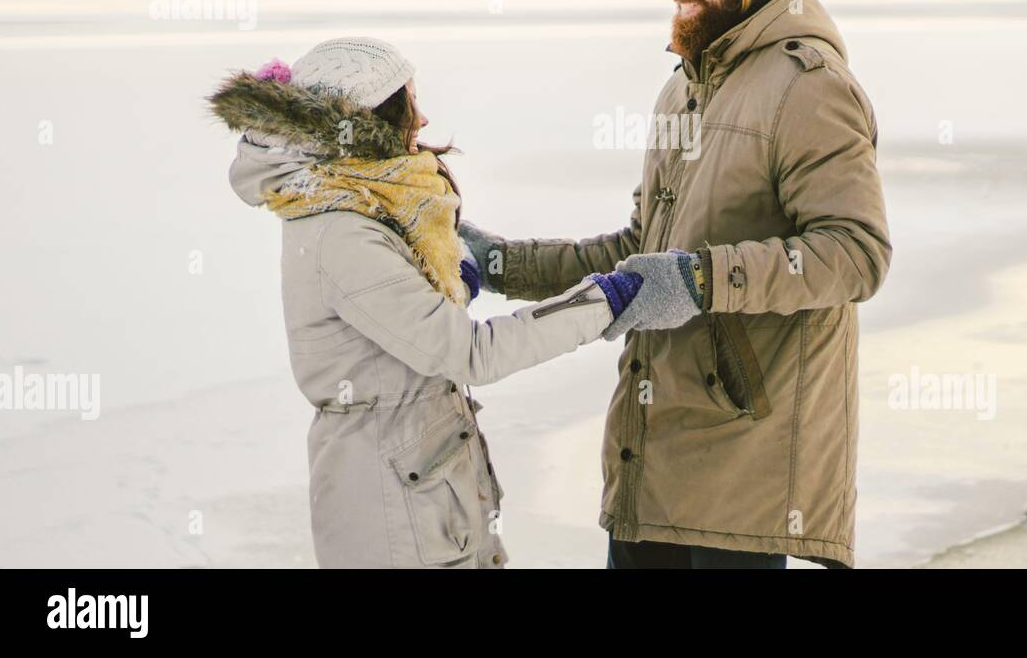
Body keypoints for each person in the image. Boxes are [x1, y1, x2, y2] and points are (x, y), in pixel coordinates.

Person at [462, 0, 892, 569]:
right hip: (650, 445)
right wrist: (505, 262)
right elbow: (642, 250)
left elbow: (854, 254)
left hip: (743, 460)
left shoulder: (810, 87)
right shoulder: (684, 87)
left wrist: (699, 280)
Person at [208, 36, 699, 568]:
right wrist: (607, 301)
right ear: (372, 119)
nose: (421, 119)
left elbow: (401, 318)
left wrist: (458, 274)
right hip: (391, 502)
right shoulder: (343, 235)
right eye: (408, 102)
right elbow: (468, 353)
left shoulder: (365, 205)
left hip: (423, 478)